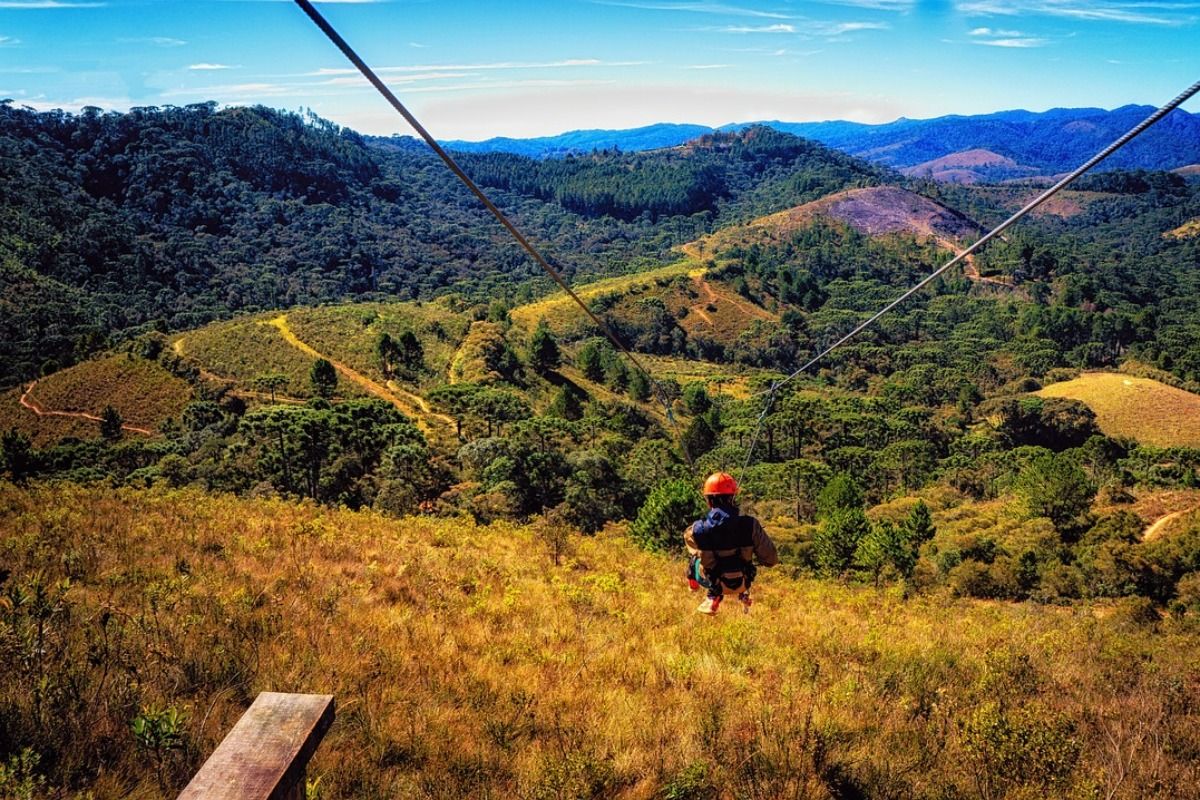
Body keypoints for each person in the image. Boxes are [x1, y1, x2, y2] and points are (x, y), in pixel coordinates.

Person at [684, 472, 778, 615]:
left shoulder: (696, 530)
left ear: (709, 500)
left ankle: (708, 593)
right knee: (741, 564)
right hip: (742, 581)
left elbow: (695, 551)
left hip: (712, 582)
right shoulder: (750, 525)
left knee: (694, 558)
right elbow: (771, 560)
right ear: (732, 498)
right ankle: (742, 593)